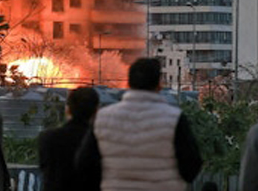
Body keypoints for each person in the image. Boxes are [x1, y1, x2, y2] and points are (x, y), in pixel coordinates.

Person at [75, 57, 202, 191]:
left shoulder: (103, 118)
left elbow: (84, 164)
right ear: (159, 84)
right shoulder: (174, 118)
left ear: (128, 83)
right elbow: (192, 164)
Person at [39, 86, 101, 191]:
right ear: (96, 111)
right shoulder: (100, 141)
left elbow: (45, 169)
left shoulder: (48, 138)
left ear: (68, 109)